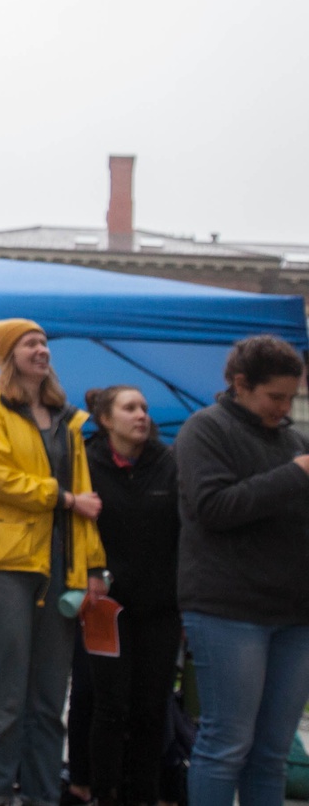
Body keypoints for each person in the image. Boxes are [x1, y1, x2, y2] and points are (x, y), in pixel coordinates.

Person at [0, 320, 107, 806]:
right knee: (4, 697)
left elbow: (88, 502)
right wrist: (63, 498)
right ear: (9, 355)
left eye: (45, 342)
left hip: (64, 568)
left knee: (50, 701)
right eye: (31, 343)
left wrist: (95, 569)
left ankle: (43, 796)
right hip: (7, 564)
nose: (42, 349)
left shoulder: (67, 419)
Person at [174, 335, 309, 806]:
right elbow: (214, 507)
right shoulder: (204, 430)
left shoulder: (294, 439)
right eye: (275, 396)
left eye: (291, 397)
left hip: (294, 613)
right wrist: (297, 473)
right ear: (240, 384)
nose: (284, 406)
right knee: (226, 745)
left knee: (272, 753)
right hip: (228, 609)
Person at [78, 384, 180, 806]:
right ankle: (103, 792)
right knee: (110, 705)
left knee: (152, 707)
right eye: (129, 407)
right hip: (108, 605)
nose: (141, 415)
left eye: (144, 408)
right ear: (106, 419)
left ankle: (145, 793)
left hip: (162, 605)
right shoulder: (86, 463)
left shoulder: (169, 462)